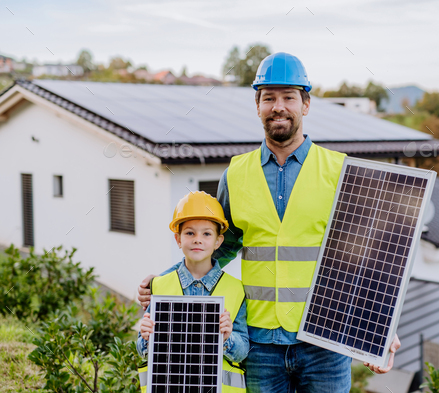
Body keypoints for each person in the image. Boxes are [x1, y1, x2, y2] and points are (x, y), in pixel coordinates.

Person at [138, 52, 401, 392]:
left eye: (289, 97)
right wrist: (166, 286)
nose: (279, 106)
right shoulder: (236, 174)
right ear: (258, 106)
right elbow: (216, 247)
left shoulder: (338, 170)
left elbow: (369, 254)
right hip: (259, 344)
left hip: (324, 341)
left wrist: (382, 326)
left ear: (305, 105)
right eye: (269, 98)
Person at [137, 191, 249, 392]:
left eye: (206, 233)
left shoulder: (236, 289)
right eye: (190, 233)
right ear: (178, 239)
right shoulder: (159, 287)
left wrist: (226, 338)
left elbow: (242, 351)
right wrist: (145, 339)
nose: (198, 239)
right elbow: (141, 348)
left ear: (218, 241)